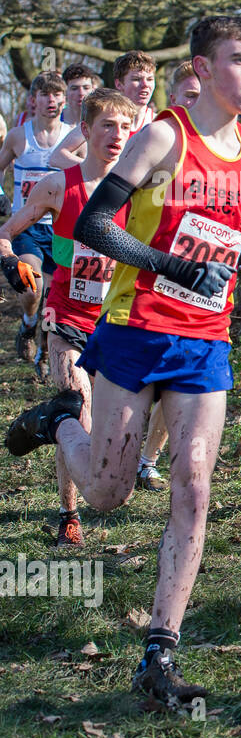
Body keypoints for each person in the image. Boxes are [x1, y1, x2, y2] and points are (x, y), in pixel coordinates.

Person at [5, 15, 241, 710]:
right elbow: (96, 226)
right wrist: (165, 266)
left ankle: (158, 655)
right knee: (108, 494)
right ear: (202, 67)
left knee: (192, 481)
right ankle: (65, 419)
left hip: (205, 340)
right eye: (239, 60)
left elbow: (211, 231)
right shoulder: (163, 135)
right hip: (134, 328)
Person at [0, 88, 137, 545]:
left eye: (125, 127)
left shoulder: (140, 190)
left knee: (105, 423)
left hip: (117, 321)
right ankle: (68, 514)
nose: (117, 136)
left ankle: (45, 420)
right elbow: (6, 233)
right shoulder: (59, 184)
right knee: (77, 410)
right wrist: (9, 259)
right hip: (65, 316)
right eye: (107, 126)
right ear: (85, 130)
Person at [135, 58, 208, 493]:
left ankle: (148, 461)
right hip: (140, 279)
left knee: (176, 380)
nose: (198, 104)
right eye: (191, 96)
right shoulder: (158, 136)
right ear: (176, 97)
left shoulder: (227, 144)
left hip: (197, 288)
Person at [0, 72, 75, 367]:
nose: (52, 100)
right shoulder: (20, 136)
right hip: (28, 226)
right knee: (33, 286)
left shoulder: (73, 136)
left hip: (60, 228)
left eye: (57, 94)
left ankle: (44, 353)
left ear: (64, 99)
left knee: (56, 296)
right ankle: (28, 324)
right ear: (34, 100)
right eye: (45, 94)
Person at [46, 51, 156, 171]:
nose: (145, 85)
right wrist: (103, 171)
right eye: (137, 79)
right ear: (119, 84)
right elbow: (57, 158)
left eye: (150, 79)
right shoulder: (103, 115)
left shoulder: (157, 121)